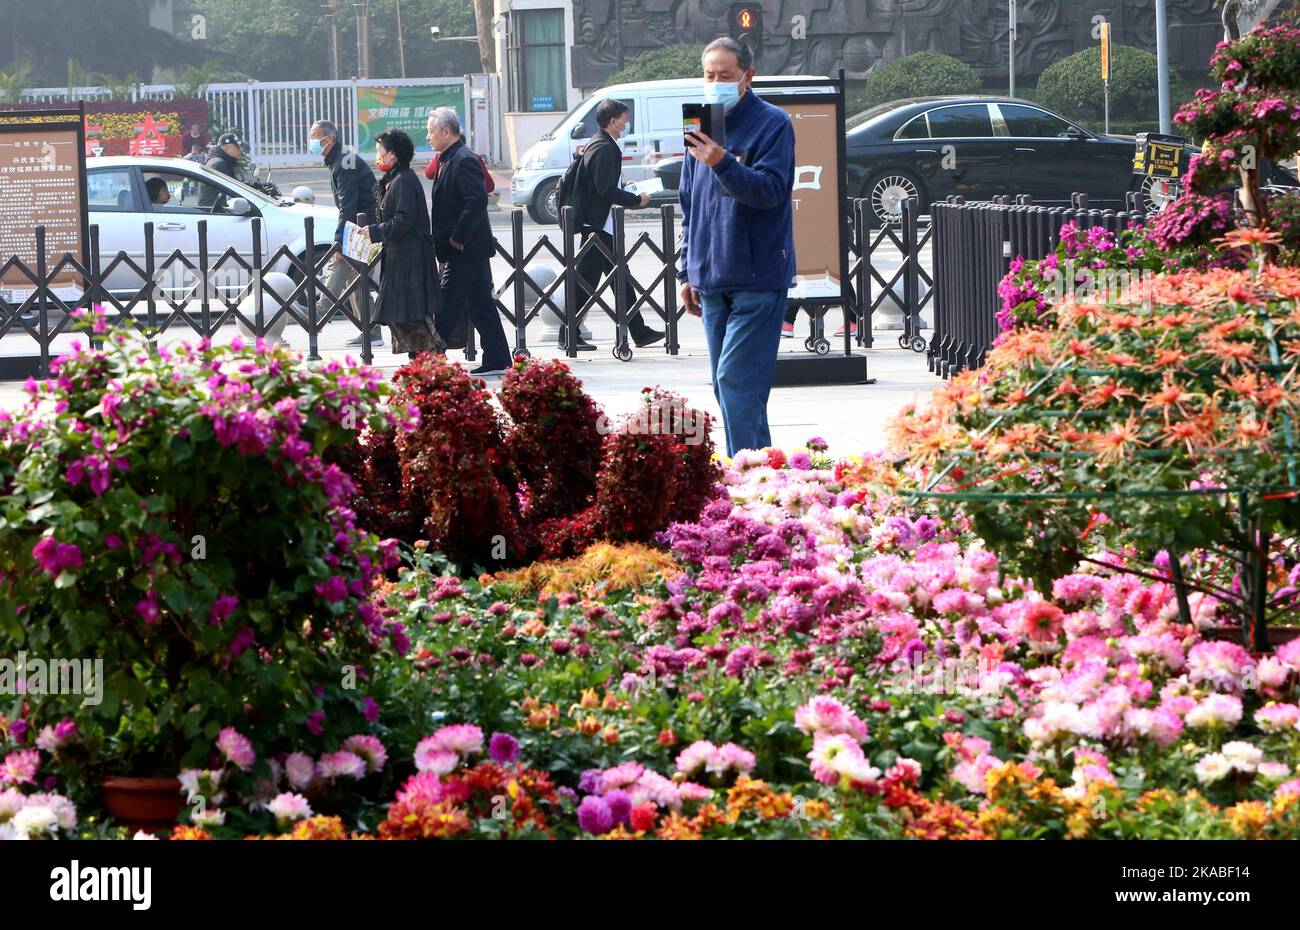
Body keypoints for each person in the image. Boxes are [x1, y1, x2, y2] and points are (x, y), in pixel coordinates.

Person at [677, 37, 795, 456]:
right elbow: (689, 202)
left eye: (725, 76)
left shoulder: (773, 123)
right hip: (711, 276)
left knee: (735, 379)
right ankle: (762, 468)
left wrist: (723, 163)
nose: (715, 83)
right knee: (729, 385)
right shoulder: (698, 121)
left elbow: (771, 191)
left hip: (757, 275)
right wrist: (686, 271)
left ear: (747, 77)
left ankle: (742, 475)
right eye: (709, 75)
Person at [568, 98, 665, 353]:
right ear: (613, 122)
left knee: (618, 277)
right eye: (624, 118)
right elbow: (605, 189)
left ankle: (639, 331)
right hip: (597, 226)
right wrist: (636, 200)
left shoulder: (599, 143)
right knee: (587, 281)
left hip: (601, 224)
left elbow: (605, 183)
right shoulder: (605, 148)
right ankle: (568, 332)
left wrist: (625, 188)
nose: (627, 122)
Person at [427, 107, 511, 377]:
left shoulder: (463, 158)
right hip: (461, 246)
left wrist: (458, 236)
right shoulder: (447, 158)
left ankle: (431, 358)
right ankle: (498, 357)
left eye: (431, 131)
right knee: (480, 303)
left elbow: (476, 200)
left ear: (446, 131)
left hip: (465, 246)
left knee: (447, 301)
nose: (428, 137)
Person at [358, 129, 444, 359]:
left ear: (393, 155)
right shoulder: (394, 179)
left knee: (407, 312)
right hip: (400, 256)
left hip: (411, 258)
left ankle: (431, 355)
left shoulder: (404, 180)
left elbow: (404, 219)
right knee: (401, 312)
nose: (377, 157)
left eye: (380, 152)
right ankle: (423, 358)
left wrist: (374, 231)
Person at [309, 118, 384, 348]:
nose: (311, 141)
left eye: (314, 137)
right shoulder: (339, 160)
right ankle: (371, 331)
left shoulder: (344, 163)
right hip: (361, 224)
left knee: (340, 264)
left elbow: (348, 205)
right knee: (355, 278)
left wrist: (339, 241)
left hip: (362, 226)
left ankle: (317, 315)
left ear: (328, 139)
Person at [199, 132, 243, 209]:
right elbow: (235, 190)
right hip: (215, 214)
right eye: (238, 146)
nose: (240, 150)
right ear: (228, 147)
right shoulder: (219, 164)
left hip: (216, 212)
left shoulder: (222, 162)